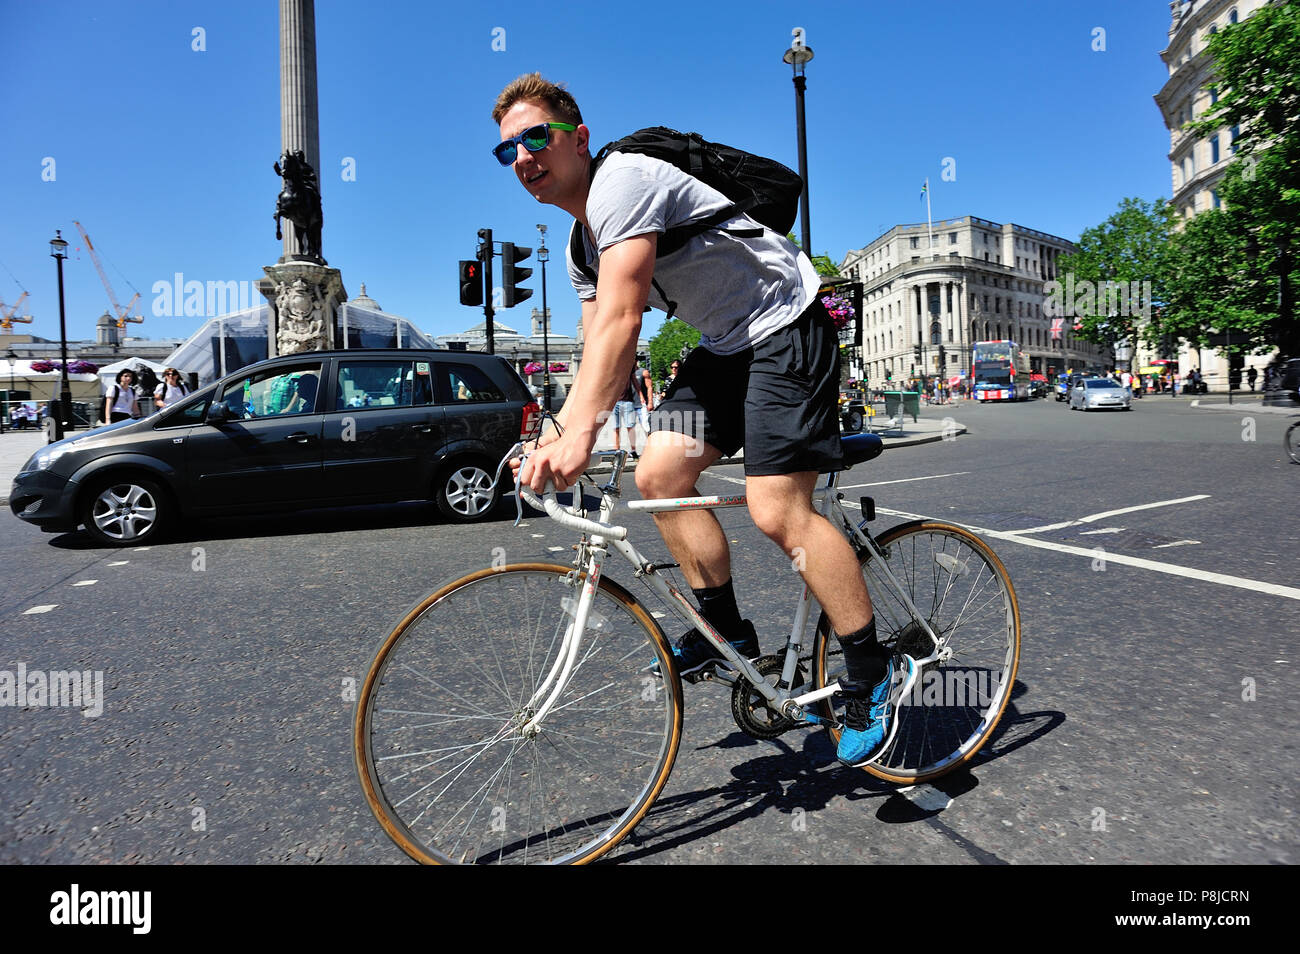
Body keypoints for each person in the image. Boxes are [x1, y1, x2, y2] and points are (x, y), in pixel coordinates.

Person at [494, 73, 910, 767]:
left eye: (537, 136)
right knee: (660, 474)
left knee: (776, 508)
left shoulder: (622, 182)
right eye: (508, 151)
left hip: (787, 328)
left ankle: (871, 671)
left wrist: (579, 434)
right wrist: (555, 427)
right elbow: (602, 345)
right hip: (724, 349)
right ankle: (728, 631)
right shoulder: (577, 247)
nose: (525, 158)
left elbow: (627, 318)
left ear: (578, 137)